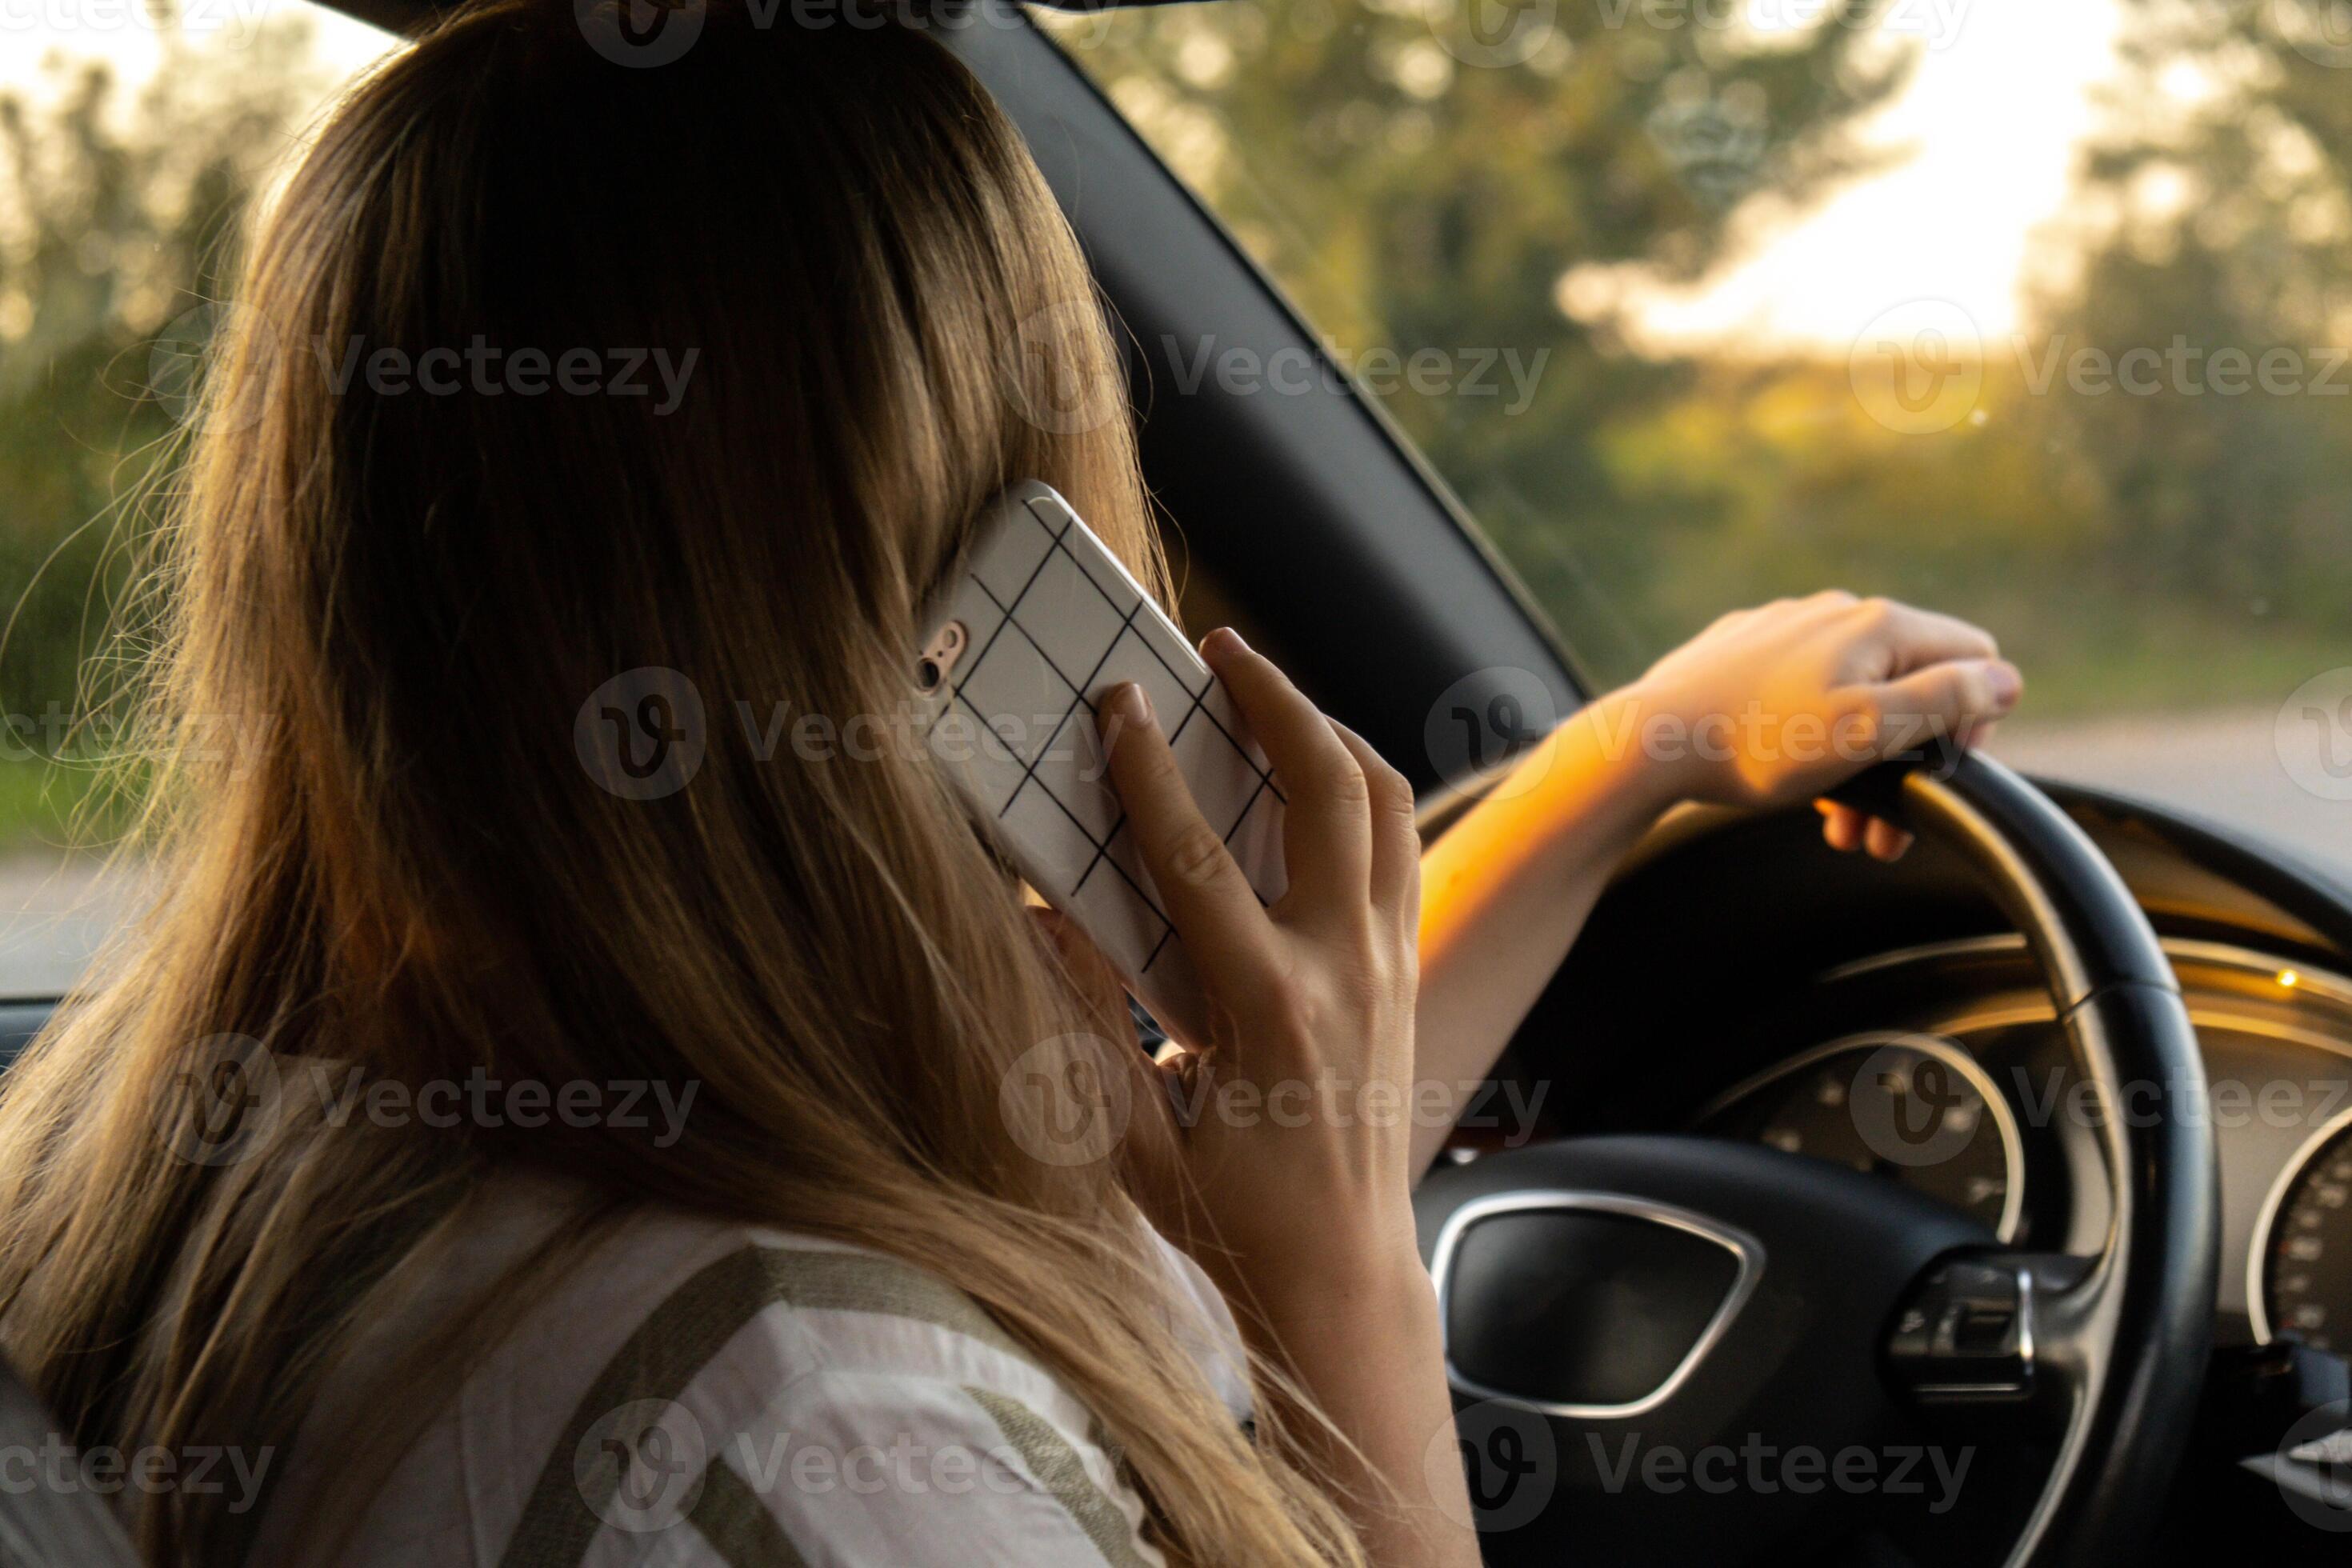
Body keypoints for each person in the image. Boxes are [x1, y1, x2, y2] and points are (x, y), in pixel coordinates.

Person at [0, 5, 2021, 1565]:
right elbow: (1245, 1220)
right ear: (964, 563)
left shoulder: (221, 1148)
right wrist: (1355, 1309)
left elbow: (1231, 1143)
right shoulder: (814, 1423)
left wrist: (1625, 758)